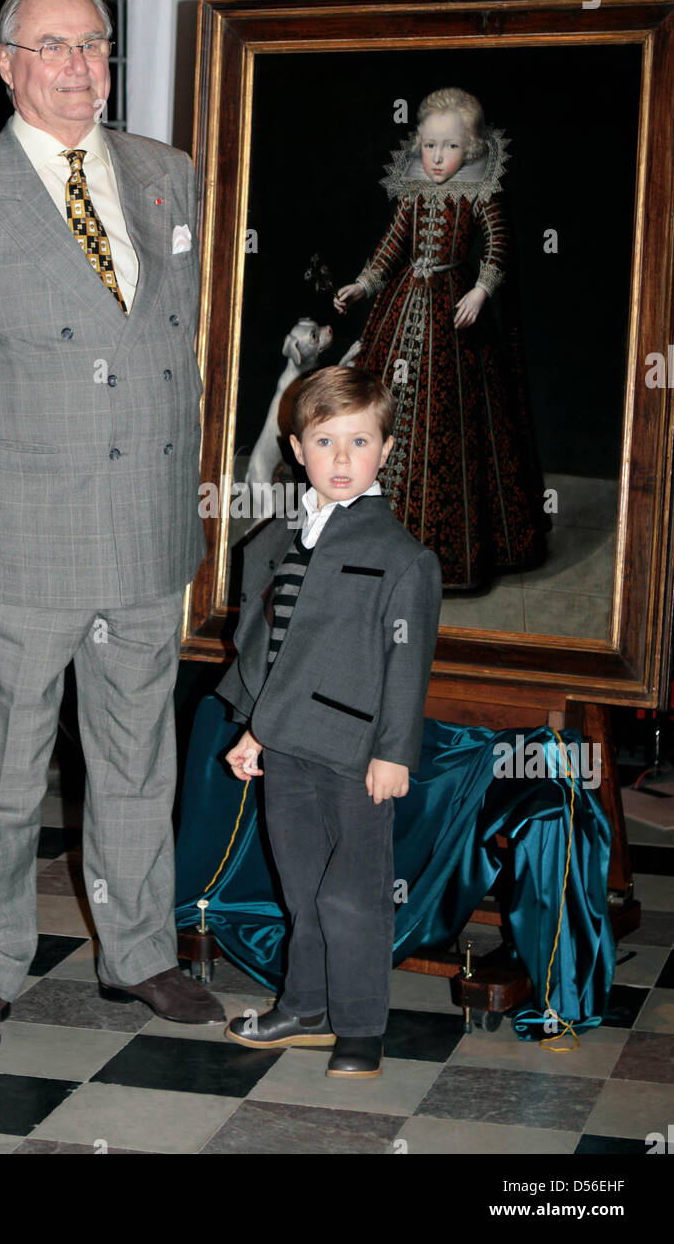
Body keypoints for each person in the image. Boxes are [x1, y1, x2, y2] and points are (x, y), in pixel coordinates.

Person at [0, 0, 222, 1055]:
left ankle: (141, 953)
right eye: (56, 48)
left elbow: (192, 340)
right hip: (21, 531)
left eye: (96, 44)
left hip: (145, 529)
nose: (81, 68)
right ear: (7, 64)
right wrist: (14, 458)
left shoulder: (169, 177)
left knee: (134, 759)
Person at [218, 366, 441, 1078]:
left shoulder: (400, 556)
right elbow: (275, 652)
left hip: (356, 753)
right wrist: (254, 729)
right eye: (324, 441)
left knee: (353, 894)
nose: (341, 460)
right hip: (287, 749)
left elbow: (406, 668)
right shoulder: (281, 541)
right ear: (295, 447)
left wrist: (394, 752)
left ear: (385, 450)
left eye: (358, 441)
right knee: (301, 885)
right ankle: (305, 1006)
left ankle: (359, 1027)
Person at [333, 86, 547, 591]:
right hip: (403, 306)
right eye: (429, 146)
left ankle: (449, 550)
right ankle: (375, 540)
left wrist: (480, 290)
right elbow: (391, 247)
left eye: (448, 147)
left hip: (453, 314)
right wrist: (363, 284)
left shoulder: (481, 193)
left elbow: (497, 249)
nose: (436, 157)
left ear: (469, 149)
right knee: (385, 413)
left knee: (451, 425)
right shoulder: (413, 192)